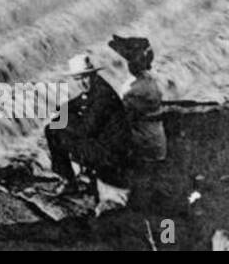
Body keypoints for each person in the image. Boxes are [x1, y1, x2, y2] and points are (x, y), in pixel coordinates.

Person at [44, 53, 131, 210]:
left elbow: (85, 130)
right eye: (77, 79)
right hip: (107, 146)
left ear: (93, 74)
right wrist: (62, 109)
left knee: (55, 131)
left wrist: (63, 118)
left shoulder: (103, 97)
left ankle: (69, 180)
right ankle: (71, 177)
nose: (82, 83)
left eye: (85, 77)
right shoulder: (97, 88)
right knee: (52, 129)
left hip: (111, 155)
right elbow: (80, 100)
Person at [109, 34, 171, 213]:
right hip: (155, 137)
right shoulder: (148, 80)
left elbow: (123, 117)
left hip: (145, 141)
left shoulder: (135, 88)